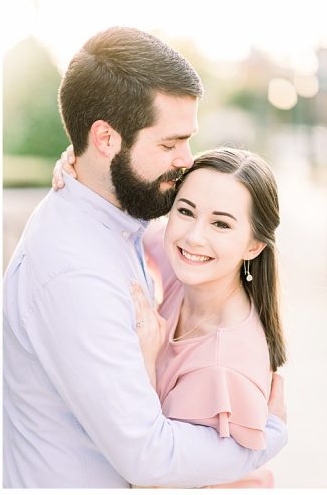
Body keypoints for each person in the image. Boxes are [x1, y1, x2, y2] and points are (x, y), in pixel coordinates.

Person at [3, 27, 286, 488]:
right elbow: (149, 457)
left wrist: (77, 161)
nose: (185, 160)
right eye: (169, 143)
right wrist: (268, 434)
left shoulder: (115, 217)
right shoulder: (77, 274)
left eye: (187, 140)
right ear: (106, 138)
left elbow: (177, 237)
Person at [132, 148, 286, 488]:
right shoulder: (187, 273)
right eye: (186, 211)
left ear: (254, 246)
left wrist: (144, 364)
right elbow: (134, 227)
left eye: (220, 223)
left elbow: (151, 481)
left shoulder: (219, 370)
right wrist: (79, 168)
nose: (194, 237)